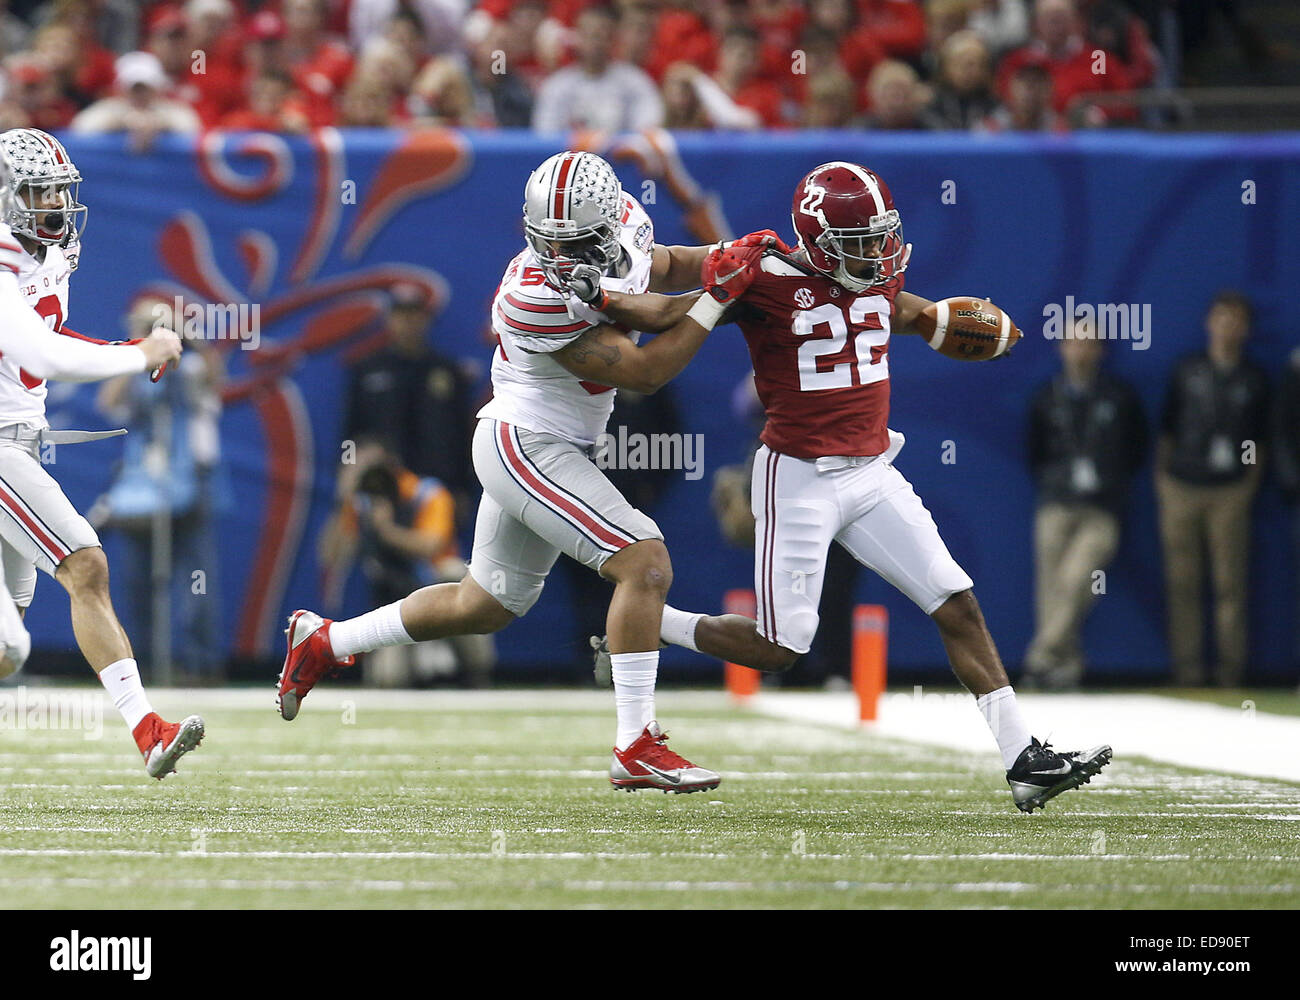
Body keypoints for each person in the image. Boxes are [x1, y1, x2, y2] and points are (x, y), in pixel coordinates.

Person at [596, 161, 1112, 813]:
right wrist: (607, 294)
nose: (878, 251)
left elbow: (901, 310)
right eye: (861, 241)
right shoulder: (762, 272)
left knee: (956, 603)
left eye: (880, 236)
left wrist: (949, 323)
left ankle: (1022, 760)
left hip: (871, 471)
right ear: (818, 240)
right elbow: (672, 286)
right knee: (780, 648)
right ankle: (656, 623)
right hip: (799, 478)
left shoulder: (875, 271)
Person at [277, 149, 777, 794]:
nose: (562, 255)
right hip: (527, 442)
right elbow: (647, 368)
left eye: (577, 242)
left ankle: (324, 639)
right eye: (551, 241)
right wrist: (720, 297)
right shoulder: (530, 296)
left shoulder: (623, 223)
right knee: (643, 560)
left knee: (483, 604)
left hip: (556, 442)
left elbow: (660, 273)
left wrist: (722, 259)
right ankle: (636, 743)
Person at [0, 127, 199, 778]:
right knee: (82, 563)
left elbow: (44, 338)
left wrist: (121, 349)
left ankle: (146, 730)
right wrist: (136, 353)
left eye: (58, 188)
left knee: (7, 648)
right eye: (36, 191)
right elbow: (41, 354)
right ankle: (146, 729)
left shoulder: (47, 255)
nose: (53, 202)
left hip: (20, 439)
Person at [91, 294, 226, 685]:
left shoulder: (192, 366)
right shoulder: (134, 373)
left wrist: (188, 338)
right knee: (138, 582)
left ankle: (201, 664)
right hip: (141, 490)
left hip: (190, 485)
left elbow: (214, 378)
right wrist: (138, 348)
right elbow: (108, 401)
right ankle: (144, 663)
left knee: (197, 579)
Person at [1156, 291, 1270, 687]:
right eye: (1221, 318)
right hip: (1182, 487)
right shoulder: (1187, 371)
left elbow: (1259, 440)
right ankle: (1187, 674)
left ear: (1246, 328)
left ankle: (1229, 675)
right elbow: (1167, 432)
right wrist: (1165, 485)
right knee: (1182, 584)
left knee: (1230, 585)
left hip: (1230, 492)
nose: (1227, 326)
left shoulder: (1254, 379)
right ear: (1209, 323)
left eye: (1236, 319)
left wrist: (1246, 486)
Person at [1024, 321, 1146, 689]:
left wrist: (1112, 483)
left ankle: (1040, 657)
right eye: (1073, 342)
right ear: (1062, 348)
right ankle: (1066, 667)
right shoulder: (1046, 396)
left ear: (1100, 350)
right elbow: (1035, 450)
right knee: (1050, 589)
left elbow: (1136, 448)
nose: (1080, 350)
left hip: (1102, 507)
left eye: (1088, 343)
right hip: (1056, 502)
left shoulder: (1120, 396)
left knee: (1078, 579)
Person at [318, 435, 494, 687]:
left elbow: (432, 546)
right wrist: (343, 499)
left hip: (435, 586)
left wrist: (387, 530)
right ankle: (421, 664)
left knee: (454, 572)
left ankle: (476, 669)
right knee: (389, 678)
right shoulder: (360, 504)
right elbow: (331, 557)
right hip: (396, 598)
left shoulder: (427, 493)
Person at [342, 282, 475, 505]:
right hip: (380, 487)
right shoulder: (368, 370)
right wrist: (348, 466)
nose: (408, 323)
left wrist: (463, 488)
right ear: (389, 319)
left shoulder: (447, 372)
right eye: (401, 315)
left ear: (427, 319)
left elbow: (463, 434)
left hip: (436, 489)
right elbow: (350, 431)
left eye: (415, 315)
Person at [531, 3, 663, 133]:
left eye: (601, 36)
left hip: (619, 154)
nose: (594, 43)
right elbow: (546, 134)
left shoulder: (635, 82)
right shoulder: (557, 85)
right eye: (587, 34)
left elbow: (648, 129)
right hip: (570, 154)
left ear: (613, 39)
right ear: (577, 37)